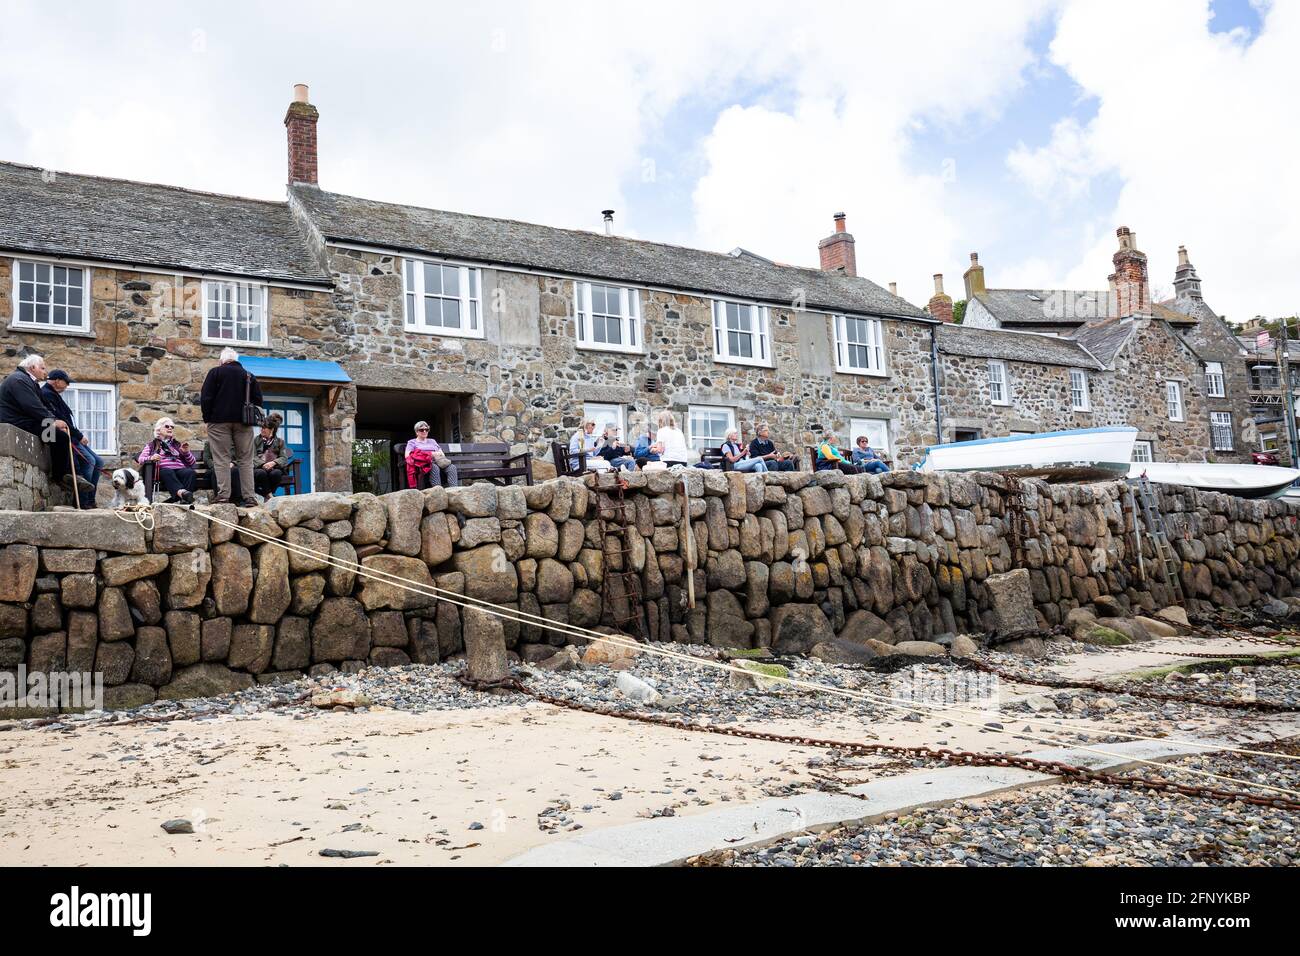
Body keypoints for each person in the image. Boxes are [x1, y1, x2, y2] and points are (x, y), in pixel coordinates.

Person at [0, 354, 94, 502]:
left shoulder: (29, 381)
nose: (45, 372)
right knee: (60, 437)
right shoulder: (19, 380)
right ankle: (60, 476)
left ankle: (66, 474)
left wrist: (55, 421)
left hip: (26, 421)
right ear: (32, 368)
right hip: (17, 422)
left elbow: (44, 406)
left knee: (59, 437)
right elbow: (31, 406)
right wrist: (53, 422)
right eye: (43, 368)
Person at [200, 348, 260, 507]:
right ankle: (249, 497)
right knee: (246, 460)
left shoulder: (215, 373)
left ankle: (223, 496)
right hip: (244, 422)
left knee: (221, 459)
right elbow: (258, 400)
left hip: (218, 421)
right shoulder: (249, 375)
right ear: (236, 360)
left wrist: (207, 418)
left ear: (222, 361)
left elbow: (206, 397)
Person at [40, 369, 103, 504]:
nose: (67, 385)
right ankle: (83, 501)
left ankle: (90, 500)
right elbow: (59, 418)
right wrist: (79, 436)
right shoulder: (46, 394)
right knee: (89, 462)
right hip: (67, 435)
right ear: (57, 381)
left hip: (72, 435)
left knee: (98, 461)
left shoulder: (54, 394)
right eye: (66, 382)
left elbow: (65, 418)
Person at [138, 418, 198, 503]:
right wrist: (151, 458)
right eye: (167, 426)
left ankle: (184, 499)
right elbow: (141, 459)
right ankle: (182, 493)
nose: (170, 428)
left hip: (179, 469)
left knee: (190, 472)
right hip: (163, 471)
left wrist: (186, 452)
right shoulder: (152, 445)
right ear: (159, 429)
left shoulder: (177, 444)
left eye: (172, 427)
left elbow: (192, 462)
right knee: (167, 472)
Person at [404, 421, 459, 488]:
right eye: (421, 430)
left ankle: (454, 489)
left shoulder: (432, 441)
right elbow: (407, 455)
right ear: (417, 432)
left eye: (426, 429)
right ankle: (437, 489)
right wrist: (430, 454)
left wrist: (434, 455)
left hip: (438, 461)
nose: (424, 431)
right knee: (434, 467)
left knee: (452, 467)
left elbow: (441, 454)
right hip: (424, 463)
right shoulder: (412, 442)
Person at [253, 413, 292, 498]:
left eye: (264, 428)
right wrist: (263, 464)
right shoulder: (256, 440)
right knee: (261, 473)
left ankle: (267, 494)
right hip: (259, 468)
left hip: (274, 468)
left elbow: (284, 457)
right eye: (261, 428)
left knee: (276, 474)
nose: (262, 430)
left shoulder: (280, 441)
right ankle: (269, 495)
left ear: (272, 429)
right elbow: (253, 456)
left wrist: (273, 463)